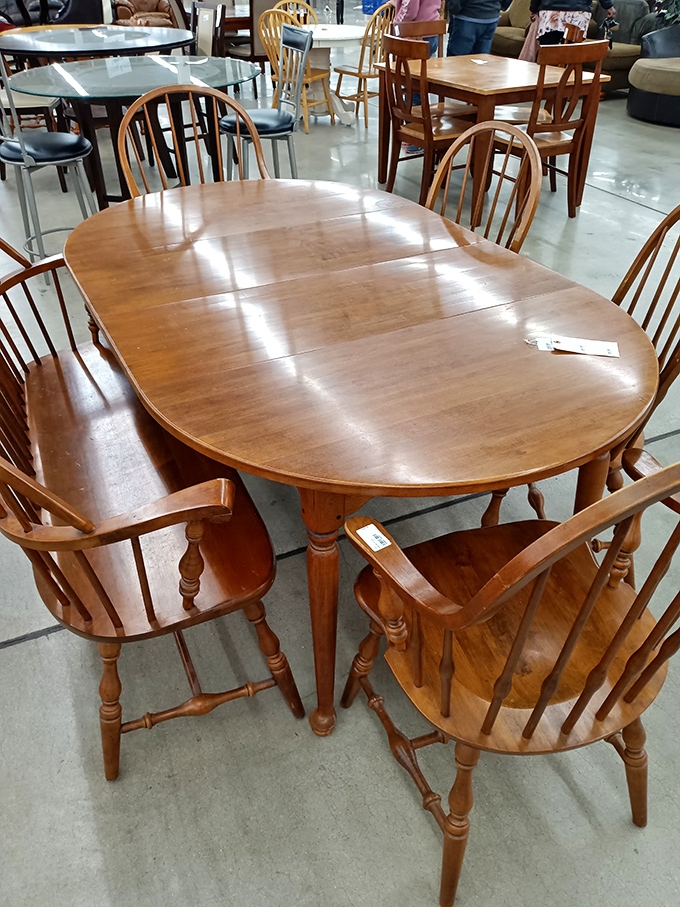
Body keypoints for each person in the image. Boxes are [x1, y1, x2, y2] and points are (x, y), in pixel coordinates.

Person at [520, 0, 616, 60]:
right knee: (571, 55)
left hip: (550, 10)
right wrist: (608, 6)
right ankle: (565, 87)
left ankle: (544, 87)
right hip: (578, 11)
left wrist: (534, 8)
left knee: (547, 52)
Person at [446, 0, 512, 56]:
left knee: (457, 59)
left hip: (468, 15)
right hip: (491, 16)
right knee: (481, 59)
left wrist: (453, 8)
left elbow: (454, 5)